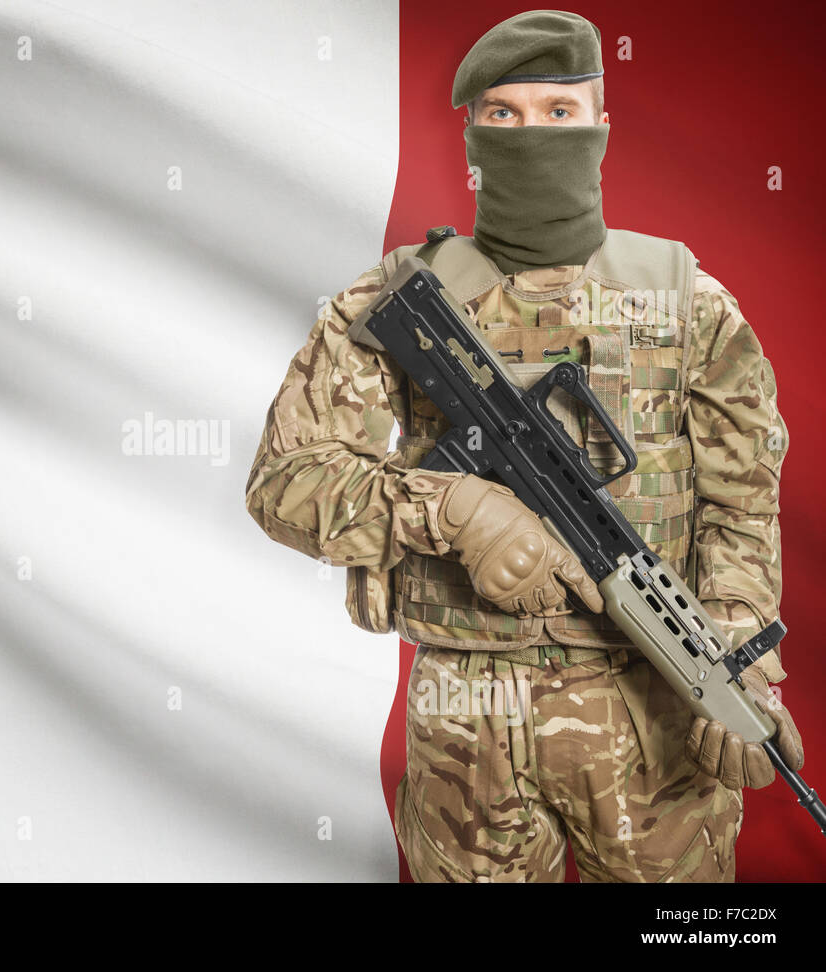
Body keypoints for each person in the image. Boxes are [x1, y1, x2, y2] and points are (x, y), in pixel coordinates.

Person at [244, 9, 803, 882]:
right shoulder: (401, 296)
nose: (530, 134)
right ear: (470, 135)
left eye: (557, 112)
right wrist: (455, 508)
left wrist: (731, 661)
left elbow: (743, 505)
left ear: (600, 130)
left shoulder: (690, 302)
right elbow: (286, 480)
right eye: (503, 114)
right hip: (466, 724)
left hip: (652, 727)